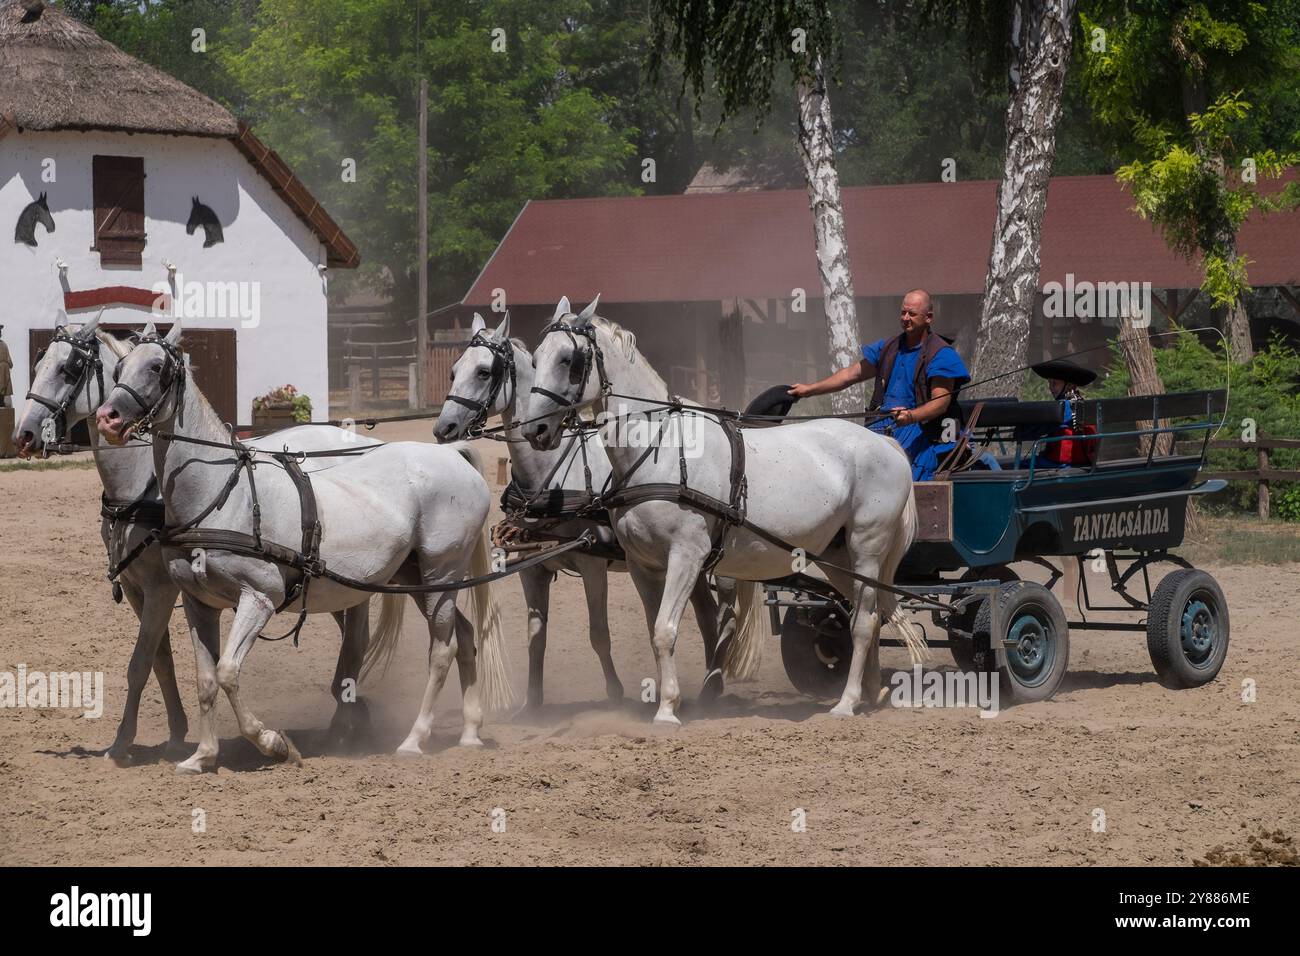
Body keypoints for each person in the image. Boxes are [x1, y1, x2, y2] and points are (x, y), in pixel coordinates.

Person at [788, 289, 969, 480]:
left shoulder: (941, 354)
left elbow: (940, 403)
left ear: (928, 318)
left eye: (912, 314)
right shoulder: (888, 348)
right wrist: (808, 390)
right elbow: (849, 375)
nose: (905, 318)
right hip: (881, 425)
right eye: (903, 312)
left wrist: (911, 416)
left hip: (919, 429)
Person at [1022, 358, 1098, 469]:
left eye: (1055, 383)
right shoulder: (1080, 402)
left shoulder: (1065, 405)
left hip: (1062, 464)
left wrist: (1021, 431)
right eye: (1049, 383)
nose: (1051, 388)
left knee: (1020, 465)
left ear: (1069, 385)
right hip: (1082, 461)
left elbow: (1041, 428)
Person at [0, 324, 13, 409]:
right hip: (3, 370)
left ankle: (1, 402)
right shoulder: (3, 344)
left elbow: (9, 360)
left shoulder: (4, 344)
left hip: (4, 371)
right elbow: (10, 362)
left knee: (3, 389)